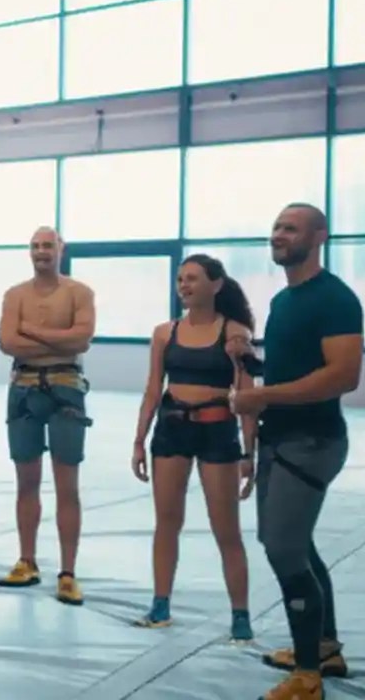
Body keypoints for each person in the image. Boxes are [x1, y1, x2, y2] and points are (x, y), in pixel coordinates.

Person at [229, 203, 364, 700]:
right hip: (281, 438)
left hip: (313, 441)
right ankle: (324, 647)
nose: (279, 235)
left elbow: (342, 375)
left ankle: (308, 676)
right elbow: (291, 371)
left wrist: (260, 397)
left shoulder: (335, 299)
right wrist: (250, 362)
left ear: (319, 237)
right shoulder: (284, 302)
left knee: (284, 548)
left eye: (290, 228)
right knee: (296, 544)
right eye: (276, 228)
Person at [130, 254, 257, 642]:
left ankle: (240, 614)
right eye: (180, 279)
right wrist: (139, 440)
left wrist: (249, 453)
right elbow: (154, 387)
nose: (184, 285)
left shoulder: (236, 333)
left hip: (217, 432)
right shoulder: (164, 333)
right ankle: (160, 604)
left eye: (193, 279)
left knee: (226, 530)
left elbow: (248, 395)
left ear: (216, 285)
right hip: (171, 430)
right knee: (167, 521)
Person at [0, 226, 95, 606]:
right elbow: (8, 342)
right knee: (26, 481)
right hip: (23, 388)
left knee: (67, 483)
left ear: (60, 249)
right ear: (29, 251)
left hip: (65, 387)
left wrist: (31, 330)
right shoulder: (14, 294)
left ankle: (68, 572)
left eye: (48, 245)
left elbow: (81, 340)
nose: (42, 251)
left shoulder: (79, 293)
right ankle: (27, 560)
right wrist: (58, 335)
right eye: (36, 246)